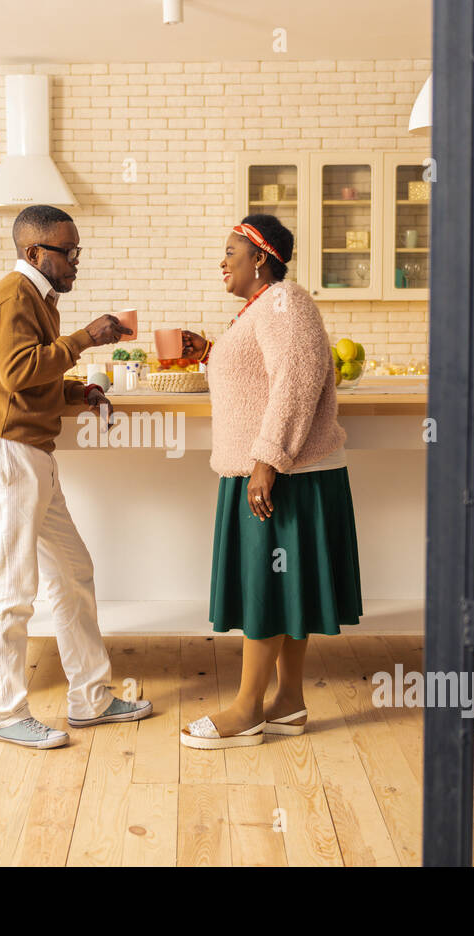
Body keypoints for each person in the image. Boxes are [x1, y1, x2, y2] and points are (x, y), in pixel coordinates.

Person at [0, 204, 152, 749]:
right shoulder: (12, 296)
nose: (75, 263)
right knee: (11, 588)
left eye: (77, 252)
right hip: (7, 455)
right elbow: (19, 371)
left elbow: (34, 377)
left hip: (30, 455)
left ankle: (90, 699)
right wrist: (87, 340)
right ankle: (3, 711)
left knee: (72, 571)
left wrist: (79, 392)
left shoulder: (39, 299)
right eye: (68, 253)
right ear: (34, 253)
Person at [177, 213, 364, 749]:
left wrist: (268, 460)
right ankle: (288, 701)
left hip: (281, 472)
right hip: (277, 468)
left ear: (260, 258)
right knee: (285, 588)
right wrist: (210, 351)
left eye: (231, 251)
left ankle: (246, 710)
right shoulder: (262, 308)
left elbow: (297, 379)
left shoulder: (285, 300)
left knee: (267, 588)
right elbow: (263, 372)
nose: (222, 260)